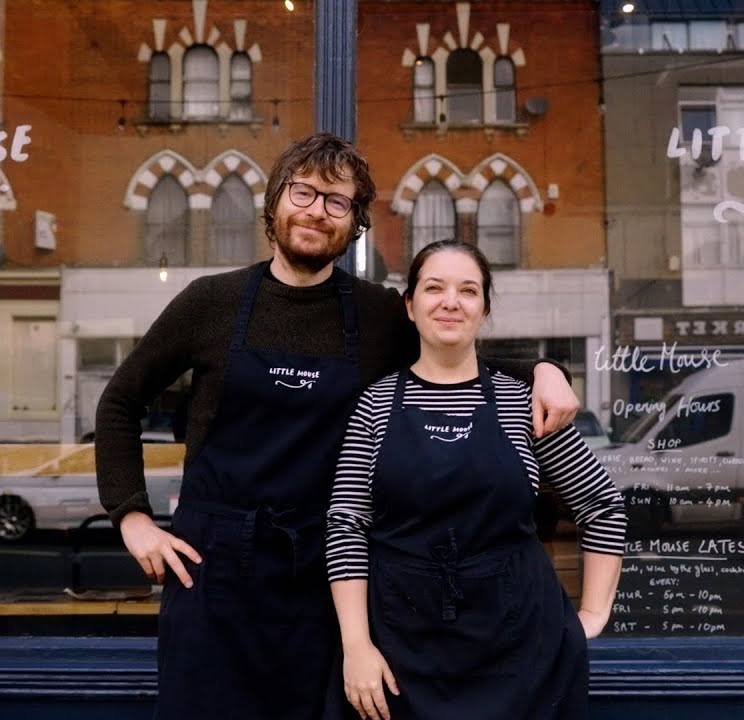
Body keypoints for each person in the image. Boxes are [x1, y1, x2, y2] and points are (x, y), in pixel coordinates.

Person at [94, 134, 581, 720]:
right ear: (275, 202)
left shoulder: (377, 312)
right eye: (303, 192)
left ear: (354, 224)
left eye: (337, 202)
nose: (316, 211)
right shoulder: (210, 302)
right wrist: (133, 516)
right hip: (213, 575)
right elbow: (120, 402)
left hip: (323, 582)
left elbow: (456, 353)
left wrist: (543, 371)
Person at [327, 240, 627, 720]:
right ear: (409, 305)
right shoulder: (376, 404)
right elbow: (346, 526)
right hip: (400, 652)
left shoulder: (522, 402)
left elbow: (601, 505)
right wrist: (357, 645)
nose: (451, 301)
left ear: (484, 309)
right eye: (434, 288)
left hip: (520, 651)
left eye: (468, 290)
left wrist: (591, 614)